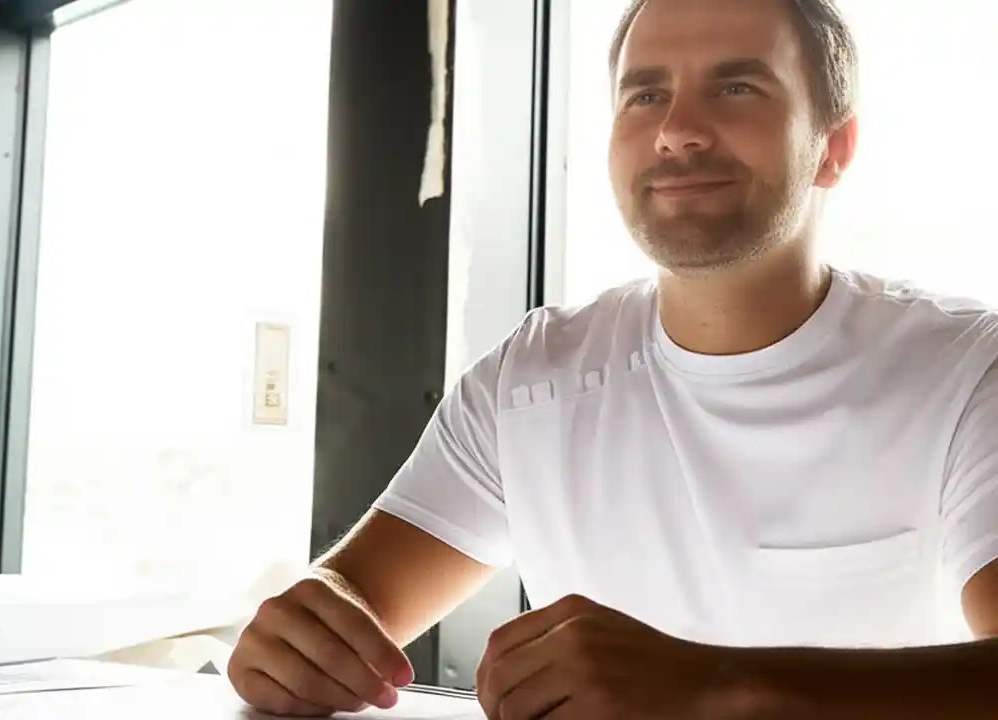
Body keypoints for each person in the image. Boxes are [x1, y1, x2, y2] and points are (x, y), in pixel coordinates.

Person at [228, 0, 998, 717]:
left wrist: (714, 685)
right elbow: (351, 601)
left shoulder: (966, 370)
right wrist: (296, 634)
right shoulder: (530, 377)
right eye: (644, 95)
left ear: (834, 148)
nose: (677, 130)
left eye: (735, 87)